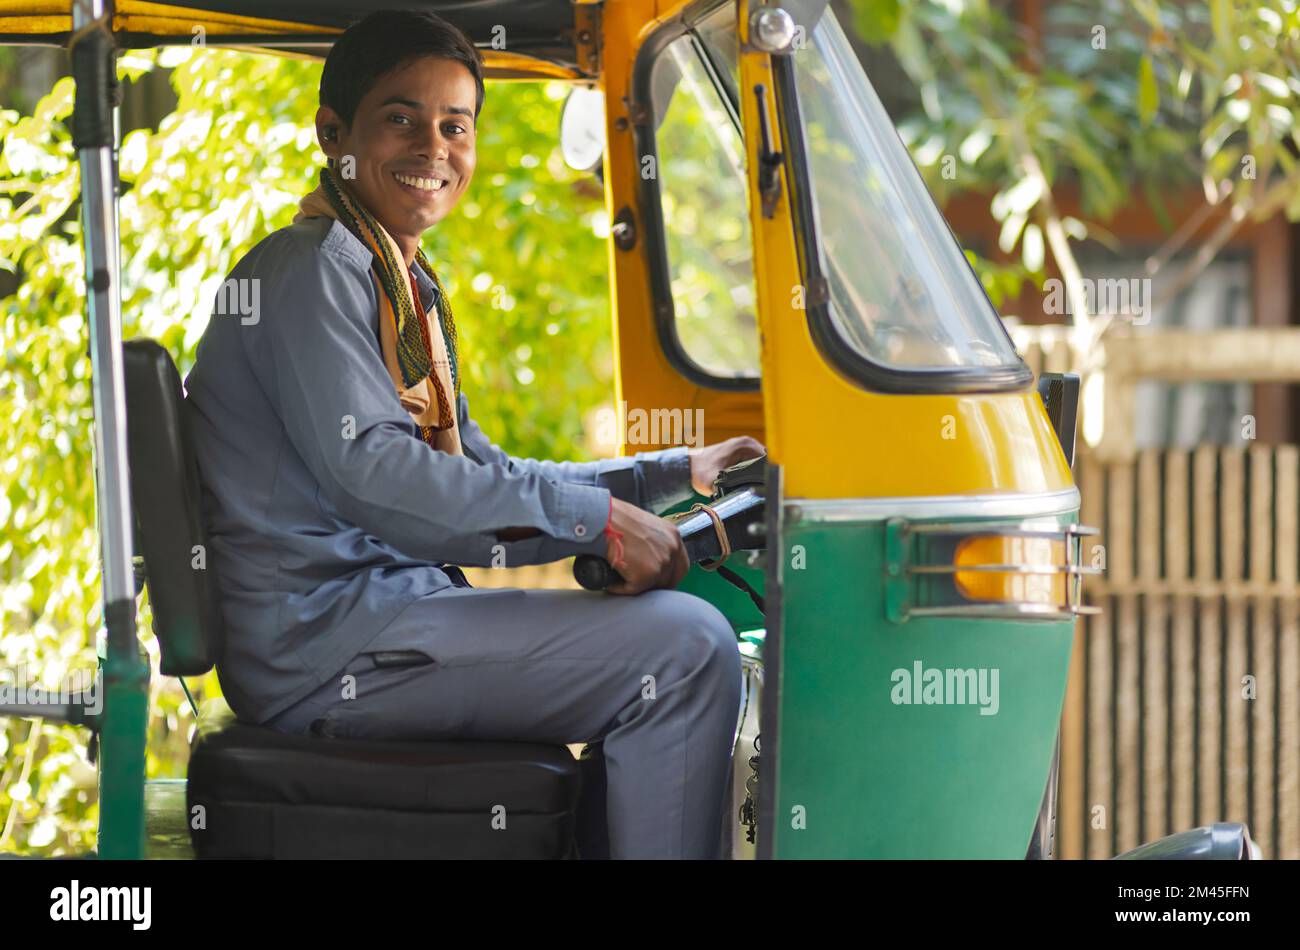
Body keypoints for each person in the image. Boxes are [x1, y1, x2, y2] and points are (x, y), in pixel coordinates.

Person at [183, 8, 763, 859]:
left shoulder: (389, 277)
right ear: (333, 132)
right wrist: (596, 525)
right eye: (399, 119)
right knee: (686, 648)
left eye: (455, 125)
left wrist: (671, 476)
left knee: (677, 632)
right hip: (329, 645)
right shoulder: (311, 274)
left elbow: (482, 469)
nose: (433, 147)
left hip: (377, 616)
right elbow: (381, 480)